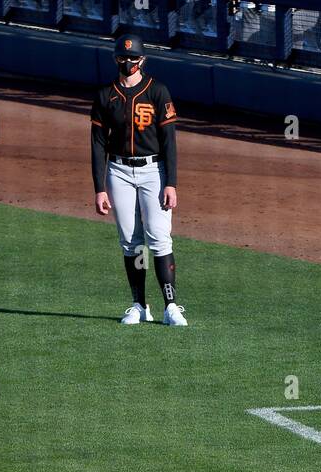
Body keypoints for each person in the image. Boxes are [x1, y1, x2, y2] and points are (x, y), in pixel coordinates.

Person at [91, 33, 187, 326]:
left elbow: (169, 141)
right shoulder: (105, 95)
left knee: (159, 238)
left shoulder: (158, 91)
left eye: (134, 58)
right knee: (130, 242)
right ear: (115, 59)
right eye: (123, 57)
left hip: (153, 171)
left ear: (142, 59)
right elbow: (97, 143)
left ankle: (171, 305)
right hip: (118, 171)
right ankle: (139, 304)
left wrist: (171, 182)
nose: (128, 62)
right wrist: (99, 188)